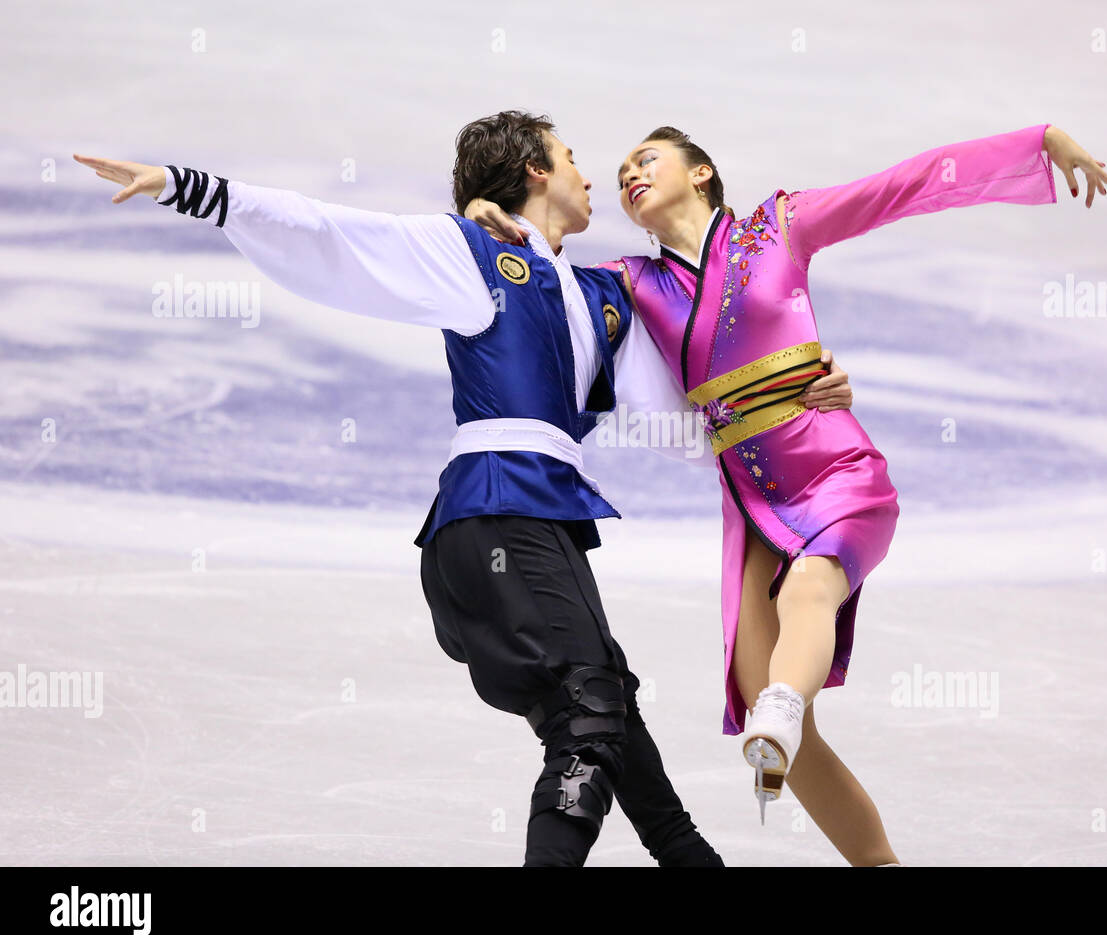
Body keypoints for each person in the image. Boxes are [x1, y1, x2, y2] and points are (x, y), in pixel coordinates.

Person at [70, 111, 853, 866]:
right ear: (537, 171)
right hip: (497, 516)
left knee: (609, 712)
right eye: (574, 156)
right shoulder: (477, 252)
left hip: (527, 525)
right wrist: (187, 185)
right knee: (591, 718)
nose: (592, 177)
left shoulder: (604, 300)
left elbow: (686, 427)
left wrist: (795, 401)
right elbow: (330, 233)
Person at [469, 121, 1107, 864]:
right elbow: (549, 283)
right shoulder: (634, 280)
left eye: (646, 159)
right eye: (619, 173)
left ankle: (783, 705)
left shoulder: (779, 226)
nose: (628, 176)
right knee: (762, 694)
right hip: (753, 503)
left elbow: (899, 187)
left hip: (838, 470)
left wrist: (1037, 143)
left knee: (803, 604)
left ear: (703, 172)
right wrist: (493, 224)